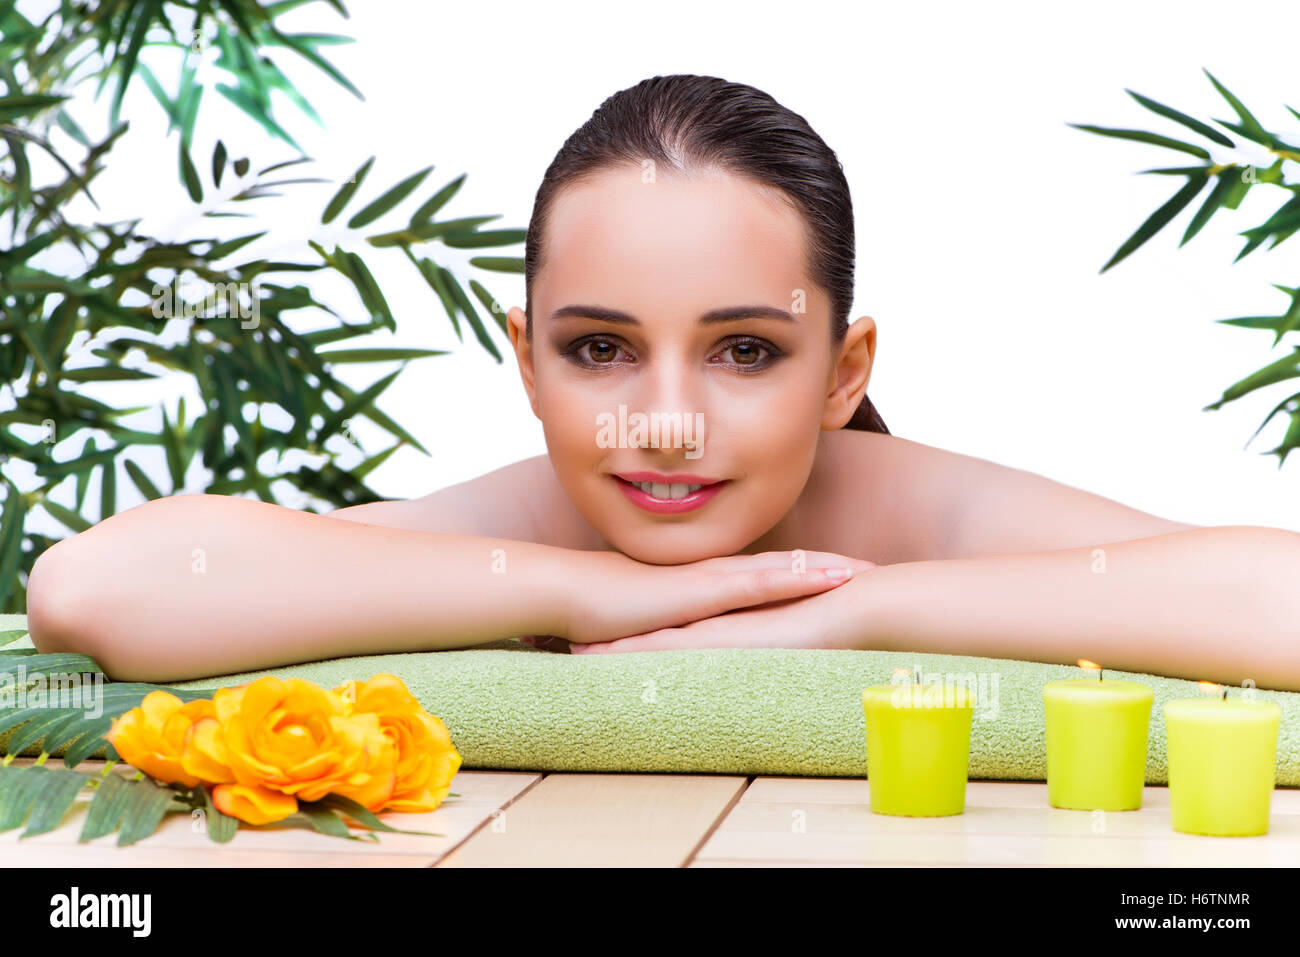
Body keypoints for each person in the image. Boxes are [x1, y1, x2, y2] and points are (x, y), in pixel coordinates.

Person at [25, 75, 1300, 691]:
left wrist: (862, 612)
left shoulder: (918, 514)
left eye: (746, 350)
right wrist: (590, 587)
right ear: (525, 359)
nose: (667, 421)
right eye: (599, 349)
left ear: (842, 373)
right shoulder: (525, 524)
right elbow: (90, 589)